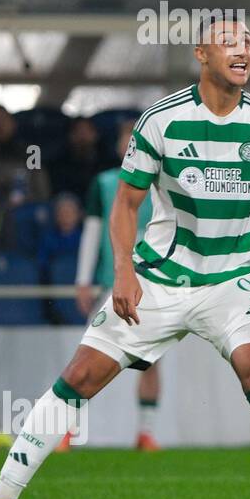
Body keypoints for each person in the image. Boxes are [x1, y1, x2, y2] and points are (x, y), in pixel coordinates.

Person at [0, 16, 250, 499]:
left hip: (231, 281)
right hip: (159, 279)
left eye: (248, 43)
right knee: (80, 376)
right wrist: (123, 272)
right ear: (201, 54)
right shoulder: (160, 121)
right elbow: (125, 204)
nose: (242, 51)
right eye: (228, 42)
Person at [75, 120, 165, 451]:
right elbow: (92, 231)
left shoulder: (164, 185)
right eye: (127, 141)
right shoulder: (104, 183)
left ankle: (146, 432)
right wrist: (82, 280)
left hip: (155, 285)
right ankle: (69, 430)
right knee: (88, 357)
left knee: (151, 359)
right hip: (109, 284)